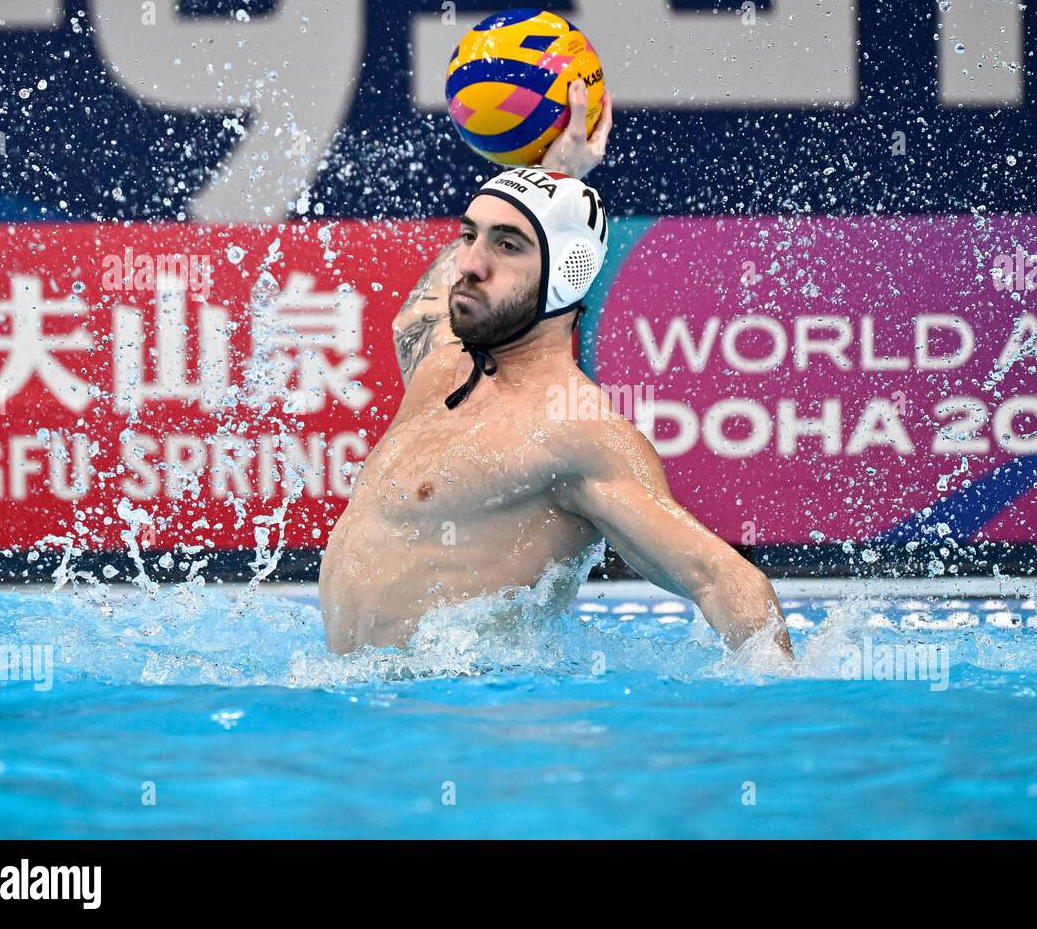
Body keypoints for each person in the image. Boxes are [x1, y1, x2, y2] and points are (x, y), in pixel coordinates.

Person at [318, 79, 793, 658]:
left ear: (567, 273)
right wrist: (558, 171)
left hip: (467, 723)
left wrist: (779, 703)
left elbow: (722, 579)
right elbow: (422, 307)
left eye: (507, 245)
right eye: (469, 236)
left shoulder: (576, 432)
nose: (470, 264)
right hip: (360, 709)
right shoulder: (442, 367)